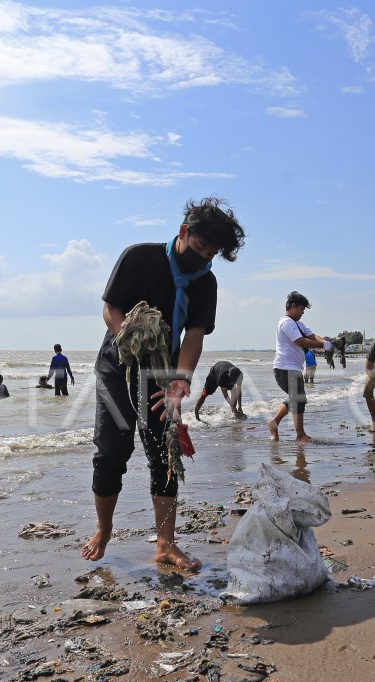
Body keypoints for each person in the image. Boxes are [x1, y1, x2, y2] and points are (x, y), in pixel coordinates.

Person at [83, 196, 245, 570]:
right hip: (117, 367)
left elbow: (195, 334)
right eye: (201, 248)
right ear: (184, 232)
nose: (203, 259)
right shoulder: (139, 257)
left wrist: (181, 380)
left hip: (163, 376)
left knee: (164, 453)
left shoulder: (206, 283)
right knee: (111, 450)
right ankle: (103, 529)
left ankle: (166, 544)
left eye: (212, 254)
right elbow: (111, 308)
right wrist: (129, 334)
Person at [269, 291, 326, 442]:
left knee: (296, 398)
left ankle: (274, 423)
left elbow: (312, 336)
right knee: (298, 398)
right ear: (293, 306)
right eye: (301, 309)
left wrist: (326, 342)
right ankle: (300, 435)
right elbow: (301, 341)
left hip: (293, 368)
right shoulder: (286, 322)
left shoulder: (298, 324)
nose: (302, 313)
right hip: (284, 368)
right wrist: (322, 345)